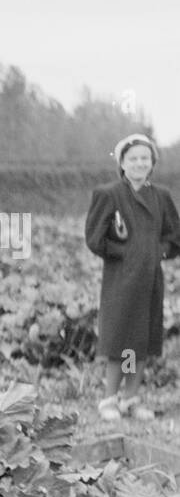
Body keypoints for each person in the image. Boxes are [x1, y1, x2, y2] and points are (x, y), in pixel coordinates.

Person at [85, 133, 180, 421]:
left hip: (150, 280)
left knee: (140, 340)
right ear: (123, 164)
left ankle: (131, 399)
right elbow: (95, 238)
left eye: (145, 159)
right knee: (121, 339)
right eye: (133, 159)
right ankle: (109, 399)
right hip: (121, 280)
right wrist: (127, 254)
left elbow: (174, 237)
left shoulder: (161, 197)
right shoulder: (110, 194)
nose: (139, 163)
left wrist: (155, 253)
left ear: (152, 163)